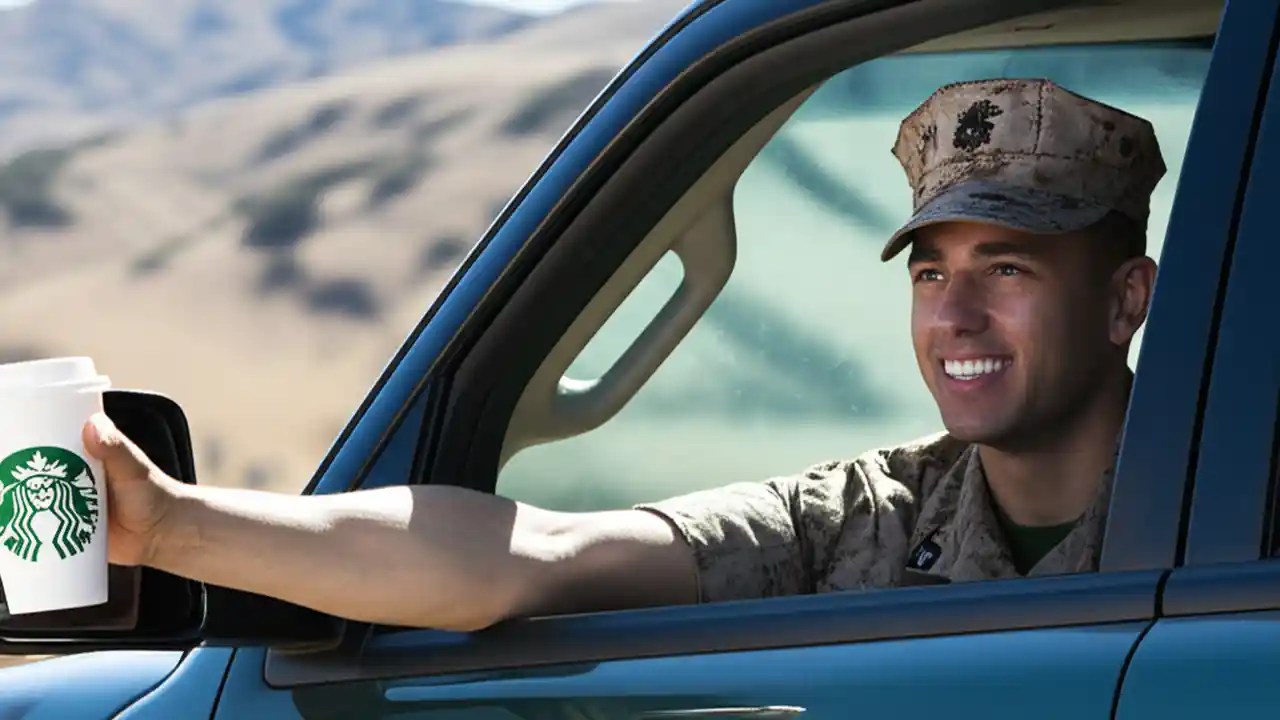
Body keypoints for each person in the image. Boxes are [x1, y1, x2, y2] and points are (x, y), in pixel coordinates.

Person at [81, 78, 1165, 631]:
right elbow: (528, 557)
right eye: (929, 273)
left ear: (1125, 300)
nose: (952, 319)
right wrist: (173, 525)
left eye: (1006, 269)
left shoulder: (1241, 513)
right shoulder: (870, 519)